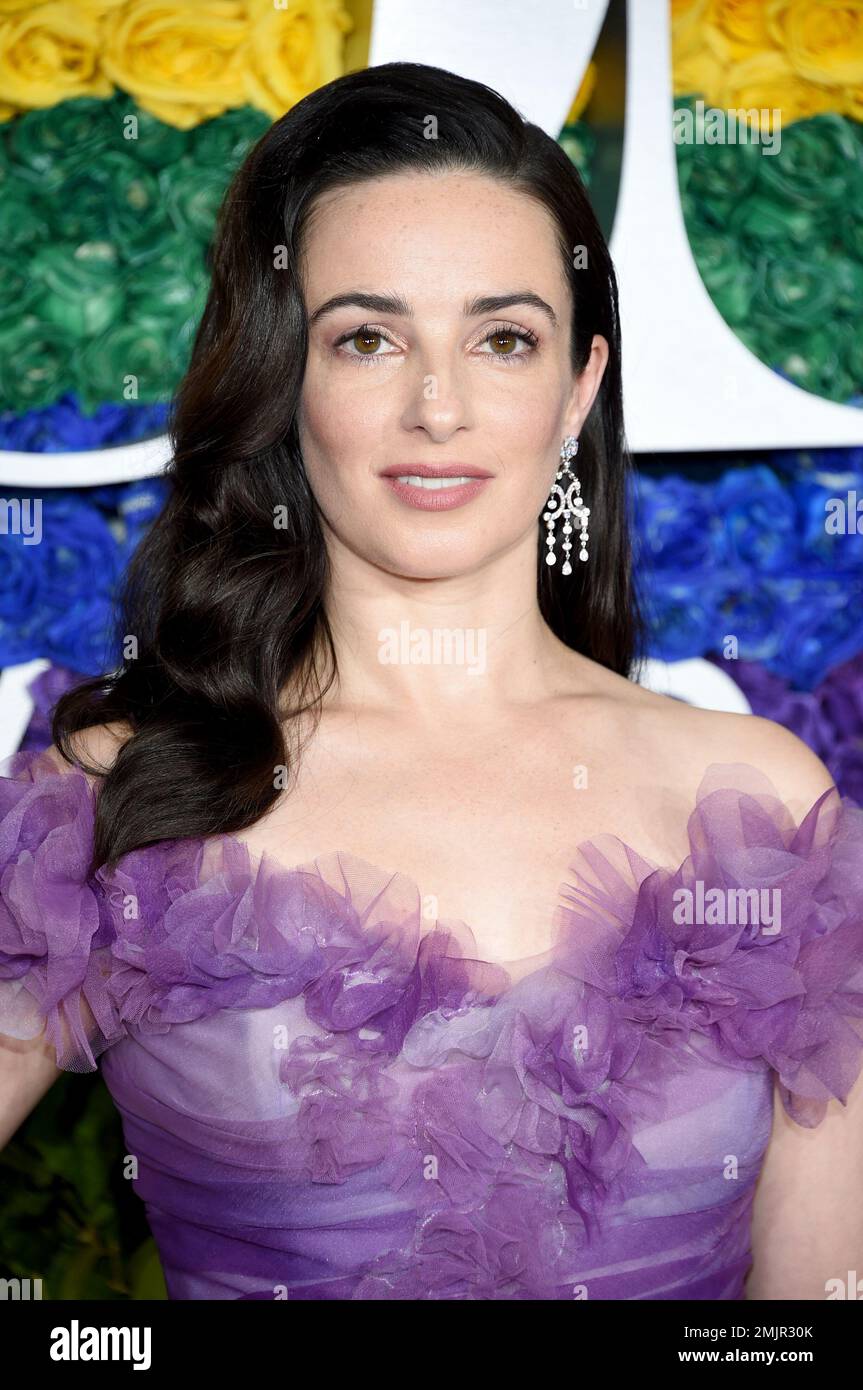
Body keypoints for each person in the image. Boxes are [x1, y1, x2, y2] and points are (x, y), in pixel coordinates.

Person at [1, 62, 861, 1301]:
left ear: (576, 389)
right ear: (283, 379)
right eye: (366, 337)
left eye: (501, 337)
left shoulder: (759, 806)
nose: (438, 406)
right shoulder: (120, 791)